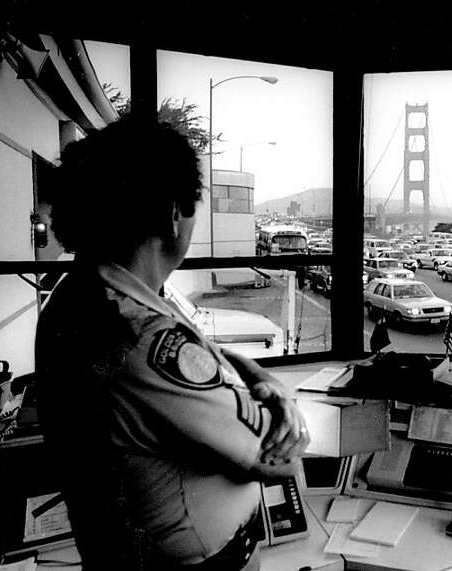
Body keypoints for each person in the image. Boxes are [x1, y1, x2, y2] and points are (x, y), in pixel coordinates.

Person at [35, 114, 309, 570]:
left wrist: (258, 375)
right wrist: (285, 404)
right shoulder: (142, 333)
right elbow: (280, 465)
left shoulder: (82, 298)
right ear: (171, 215)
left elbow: (202, 360)